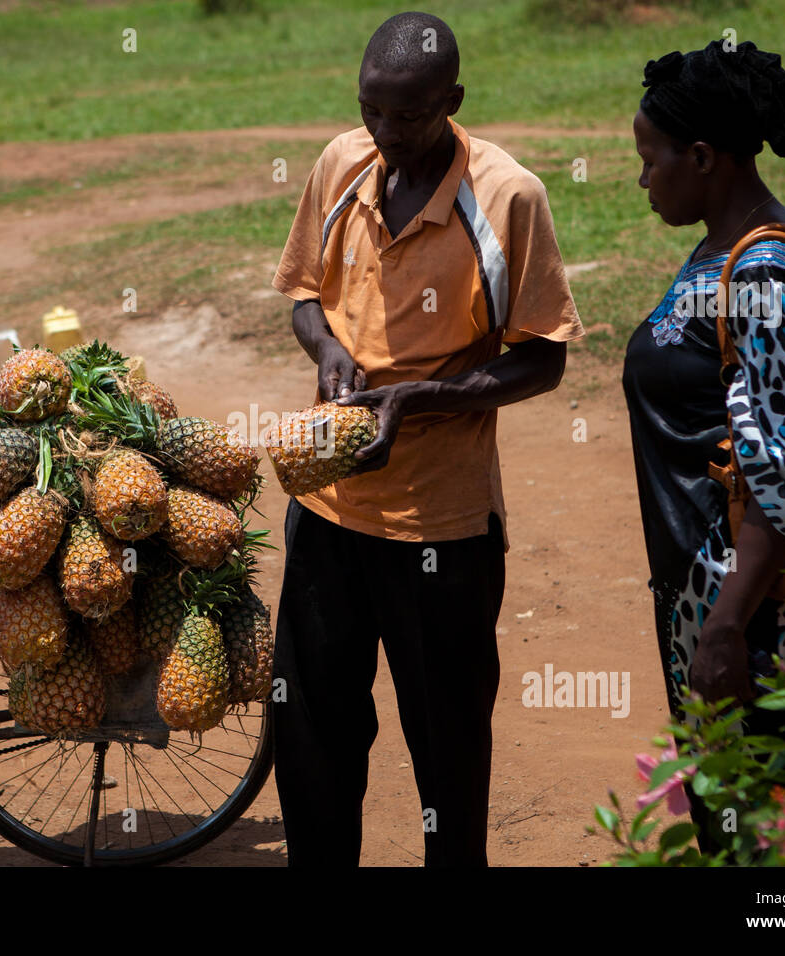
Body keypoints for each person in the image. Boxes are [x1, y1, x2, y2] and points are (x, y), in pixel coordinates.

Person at [270, 11, 583, 867]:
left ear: (452, 102)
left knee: (446, 749)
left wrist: (421, 400)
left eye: (406, 117)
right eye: (371, 110)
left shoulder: (508, 197)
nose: (384, 133)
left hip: (439, 531)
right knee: (310, 732)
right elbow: (303, 292)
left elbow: (543, 360)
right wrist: (327, 346)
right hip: (328, 513)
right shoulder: (343, 164)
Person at [621, 41, 785, 788]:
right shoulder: (722, 252)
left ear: (702, 157)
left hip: (761, 621)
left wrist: (726, 628)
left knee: (783, 834)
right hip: (713, 601)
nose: (641, 178)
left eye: (649, 156)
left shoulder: (766, 275)